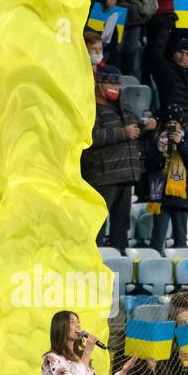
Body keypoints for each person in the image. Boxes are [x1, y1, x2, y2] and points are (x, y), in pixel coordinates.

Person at [82, 66, 149, 252]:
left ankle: (120, 261)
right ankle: (94, 259)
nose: (115, 87)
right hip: (103, 176)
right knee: (98, 224)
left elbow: (134, 128)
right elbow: (90, 137)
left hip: (125, 174)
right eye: (110, 83)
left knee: (121, 225)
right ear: (99, 84)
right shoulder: (89, 107)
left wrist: (145, 126)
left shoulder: (123, 106)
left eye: (117, 83)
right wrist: (123, 132)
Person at [142, 108, 188, 251]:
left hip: (181, 197)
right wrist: (158, 152)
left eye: (176, 123)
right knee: (157, 239)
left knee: (181, 240)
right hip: (160, 196)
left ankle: (179, 269)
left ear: (181, 124)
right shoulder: (158, 139)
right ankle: (154, 268)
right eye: (169, 123)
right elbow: (150, 167)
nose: (172, 126)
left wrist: (180, 144)